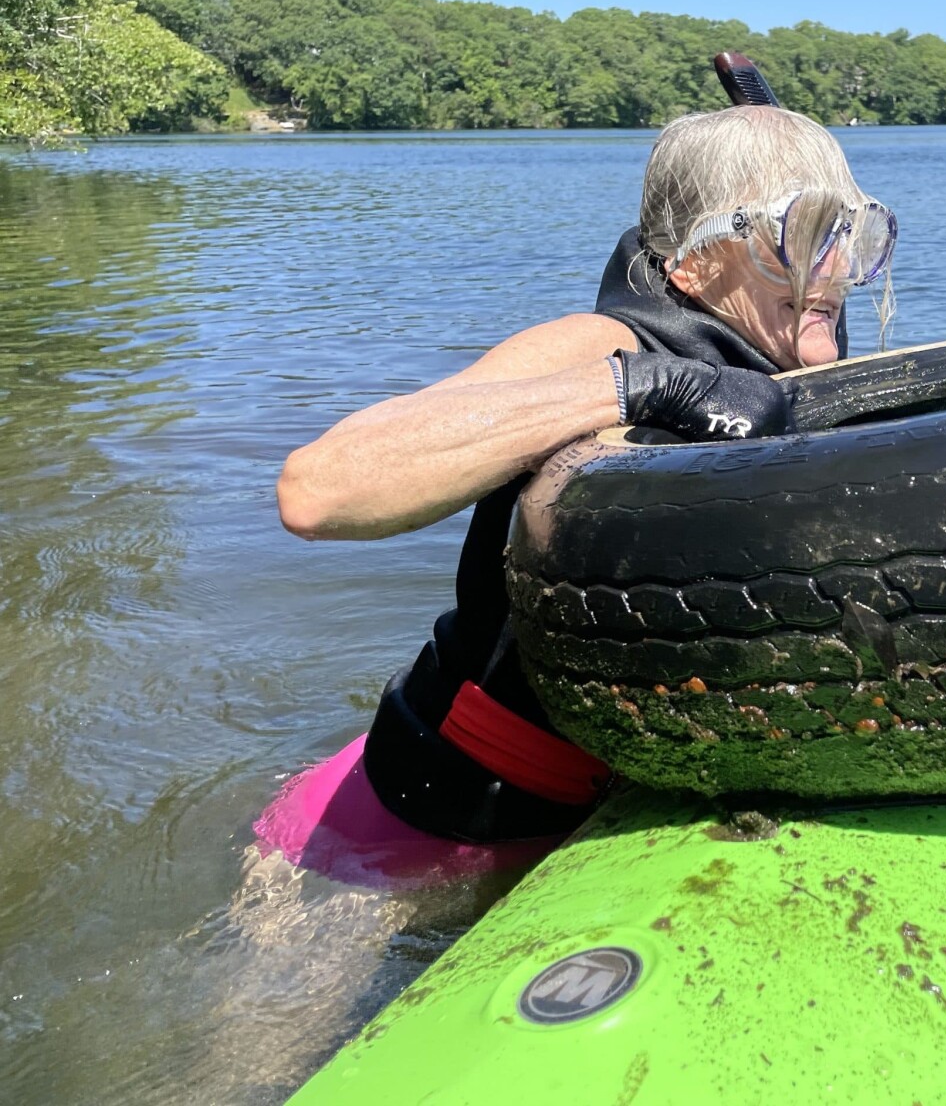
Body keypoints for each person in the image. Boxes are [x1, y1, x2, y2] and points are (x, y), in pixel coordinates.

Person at [262, 105, 898, 874]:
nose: (835, 267)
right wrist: (641, 387)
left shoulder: (788, 366)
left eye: (853, 233)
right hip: (410, 818)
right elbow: (318, 489)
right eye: (803, 233)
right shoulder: (606, 345)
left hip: (589, 802)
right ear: (693, 266)